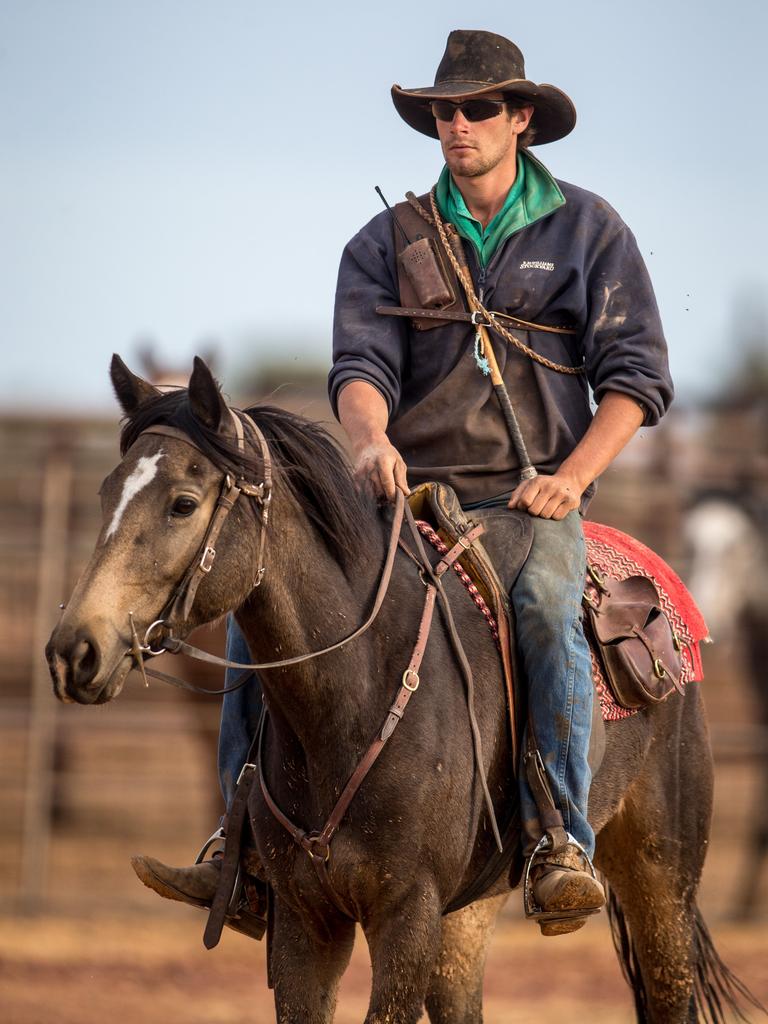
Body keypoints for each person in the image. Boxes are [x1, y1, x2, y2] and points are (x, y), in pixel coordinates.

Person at [133, 28, 673, 936]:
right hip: (402, 498)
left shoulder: (590, 231)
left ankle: (558, 838)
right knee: (263, 603)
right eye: (442, 112)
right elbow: (360, 368)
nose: (456, 125)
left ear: (521, 118)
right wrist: (370, 441)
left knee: (546, 603)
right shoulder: (385, 240)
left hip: (523, 496)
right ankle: (240, 844)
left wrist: (573, 480)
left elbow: (636, 379)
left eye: (477, 109)